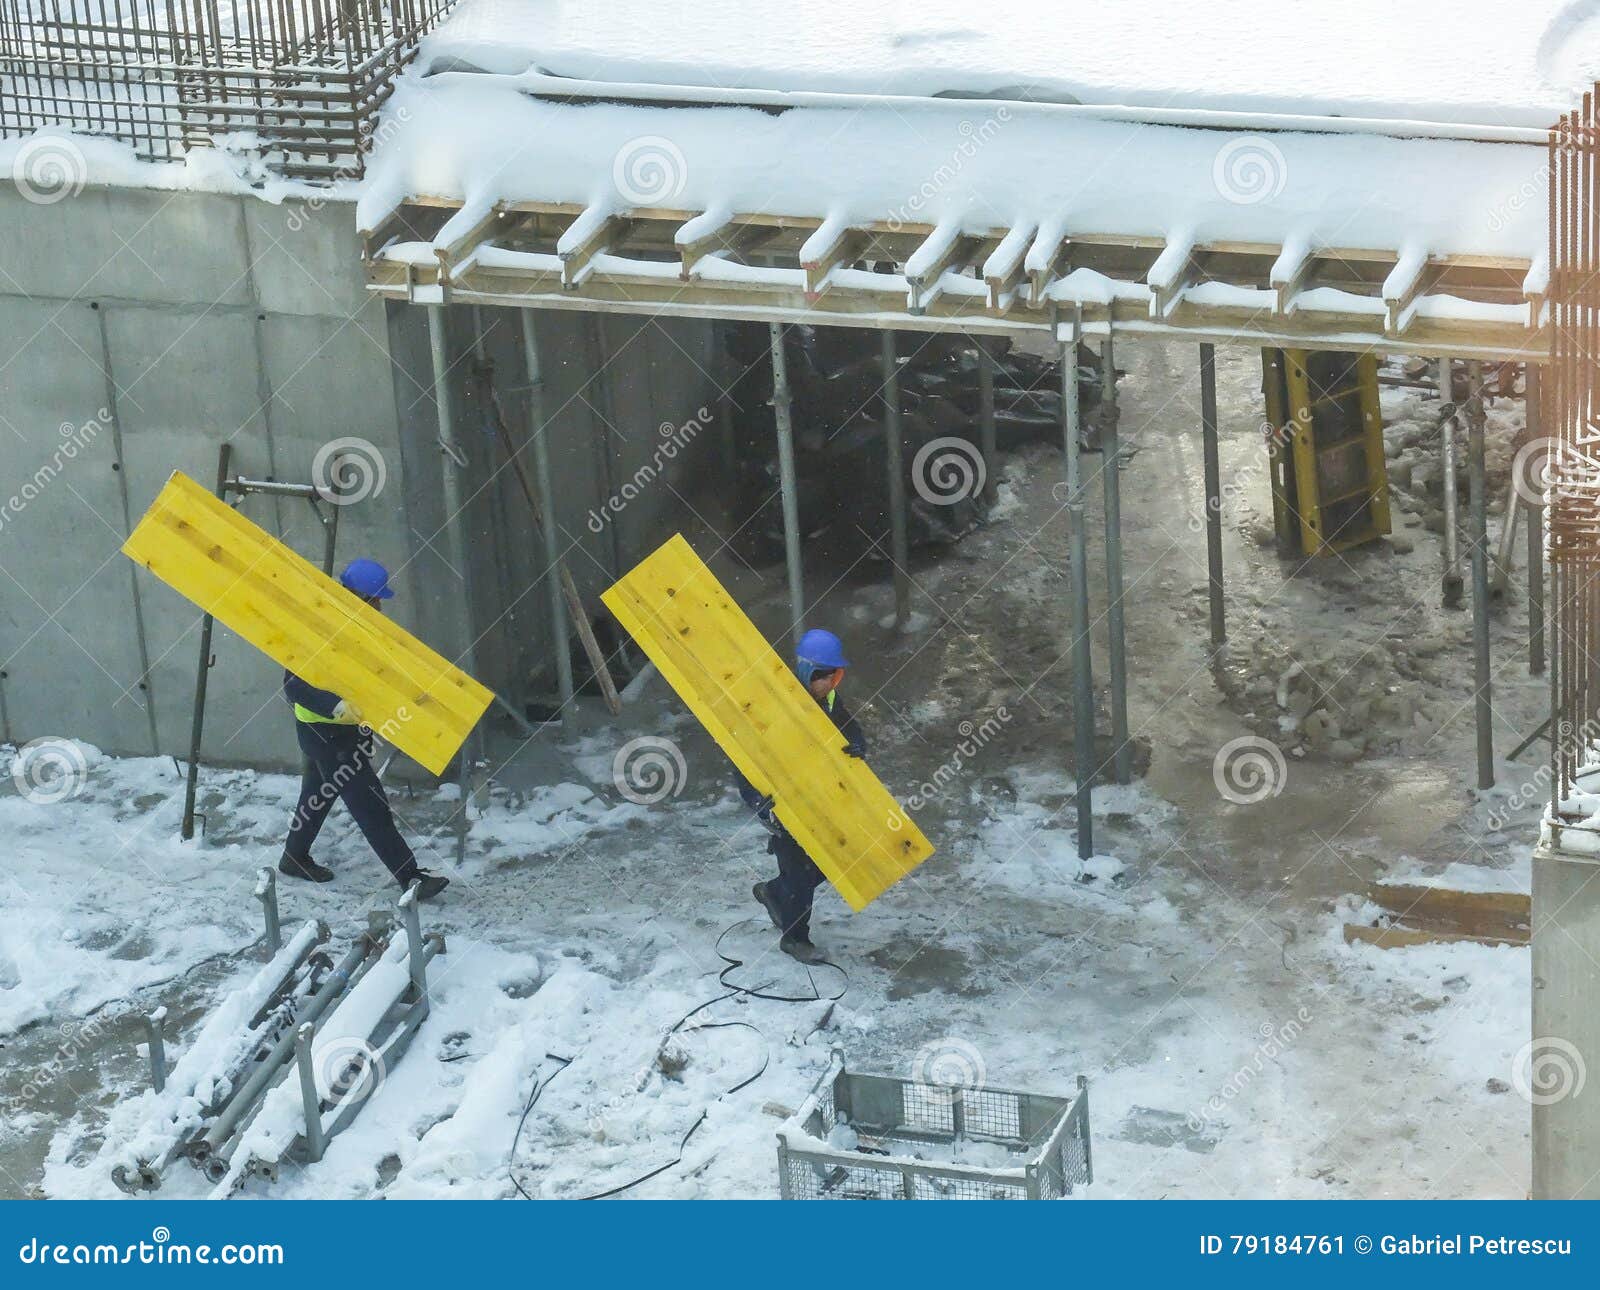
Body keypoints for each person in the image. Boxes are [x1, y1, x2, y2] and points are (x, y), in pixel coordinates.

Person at [278, 558, 448, 900]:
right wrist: (336, 706)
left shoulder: (360, 628)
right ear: (356, 596)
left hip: (344, 733)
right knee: (370, 806)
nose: (380, 607)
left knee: (317, 795)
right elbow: (293, 685)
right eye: (375, 599)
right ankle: (411, 878)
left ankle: (294, 858)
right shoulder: (319, 628)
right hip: (326, 733)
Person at [745, 628, 866, 963]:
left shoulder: (827, 701)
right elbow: (745, 760)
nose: (831, 684)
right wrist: (758, 801)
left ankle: (775, 891)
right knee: (799, 873)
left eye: (835, 676)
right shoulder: (775, 706)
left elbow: (849, 727)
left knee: (832, 861)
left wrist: (858, 746)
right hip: (782, 805)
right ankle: (795, 939)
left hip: (818, 799)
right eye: (825, 677)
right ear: (808, 672)